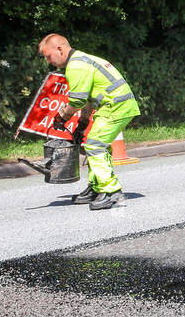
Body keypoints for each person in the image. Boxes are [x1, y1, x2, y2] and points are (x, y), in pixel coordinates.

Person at [37, 34, 141, 210]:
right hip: (116, 105)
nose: (48, 61)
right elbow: (89, 100)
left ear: (60, 49)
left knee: (94, 145)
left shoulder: (76, 66)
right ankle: (96, 187)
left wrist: (61, 117)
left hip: (115, 106)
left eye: (48, 56)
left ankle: (111, 192)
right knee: (95, 145)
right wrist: (83, 124)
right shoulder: (81, 60)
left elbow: (77, 100)